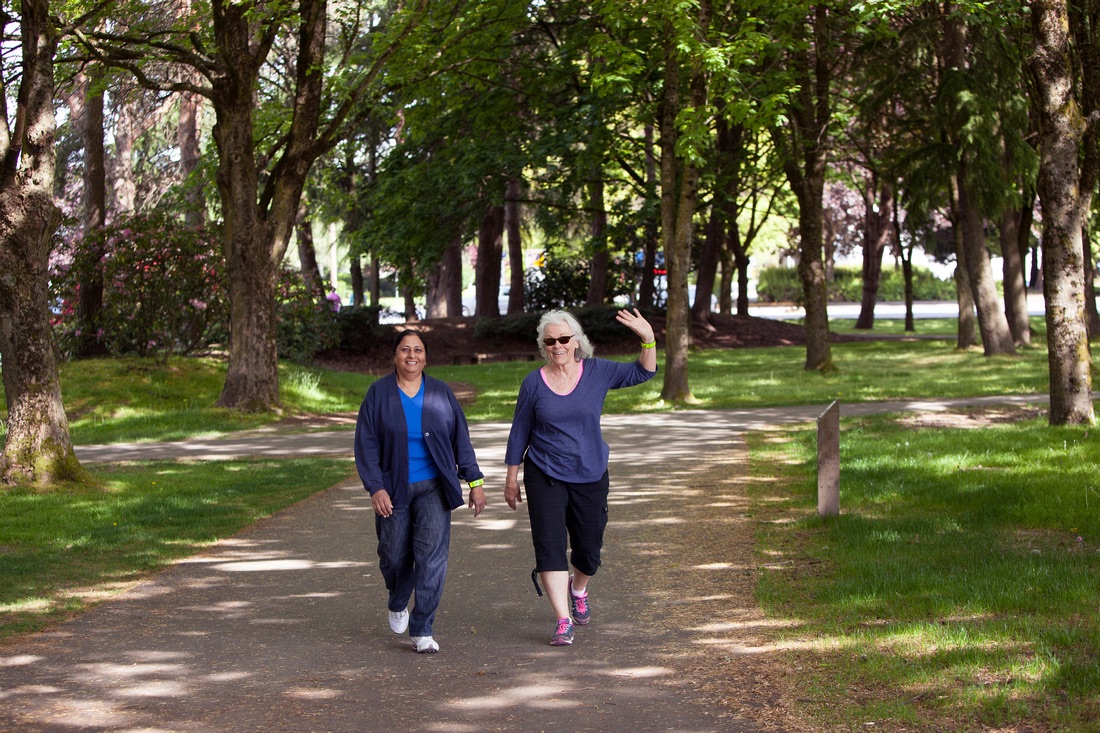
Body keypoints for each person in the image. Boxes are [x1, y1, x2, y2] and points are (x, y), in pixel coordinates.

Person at [504, 308, 657, 646]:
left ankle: (579, 588)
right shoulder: (533, 383)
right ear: (544, 346)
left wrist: (648, 338)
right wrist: (511, 478)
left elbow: (643, 371)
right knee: (549, 545)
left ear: (576, 341)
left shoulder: (598, 372)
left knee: (588, 549)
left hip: (589, 471)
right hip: (544, 472)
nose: (557, 345)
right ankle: (563, 620)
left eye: (563, 338)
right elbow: (519, 432)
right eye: (550, 341)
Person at [354, 329, 486, 653]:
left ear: (426, 357)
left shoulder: (441, 392)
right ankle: (398, 598)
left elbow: (461, 440)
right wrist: (375, 488)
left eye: (418, 350)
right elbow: (366, 445)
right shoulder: (378, 393)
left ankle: (423, 628)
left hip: (434, 488)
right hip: (392, 489)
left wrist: (475, 482)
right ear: (395, 356)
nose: (411, 355)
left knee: (431, 559)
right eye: (404, 349)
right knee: (392, 554)